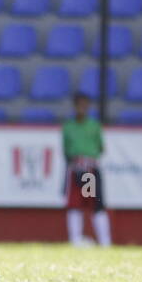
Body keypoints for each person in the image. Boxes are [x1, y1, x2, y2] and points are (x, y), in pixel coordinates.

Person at [61, 92, 111, 247]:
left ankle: (105, 242)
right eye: (80, 105)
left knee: (96, 204)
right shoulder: (68, 126)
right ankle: (75, 240)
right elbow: (66, 149)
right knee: (75, 205)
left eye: (85, 105)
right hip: (75, 169)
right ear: (75, 106)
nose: (83, 108)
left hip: (90, 170)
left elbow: (101, 147)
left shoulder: (94, 125)